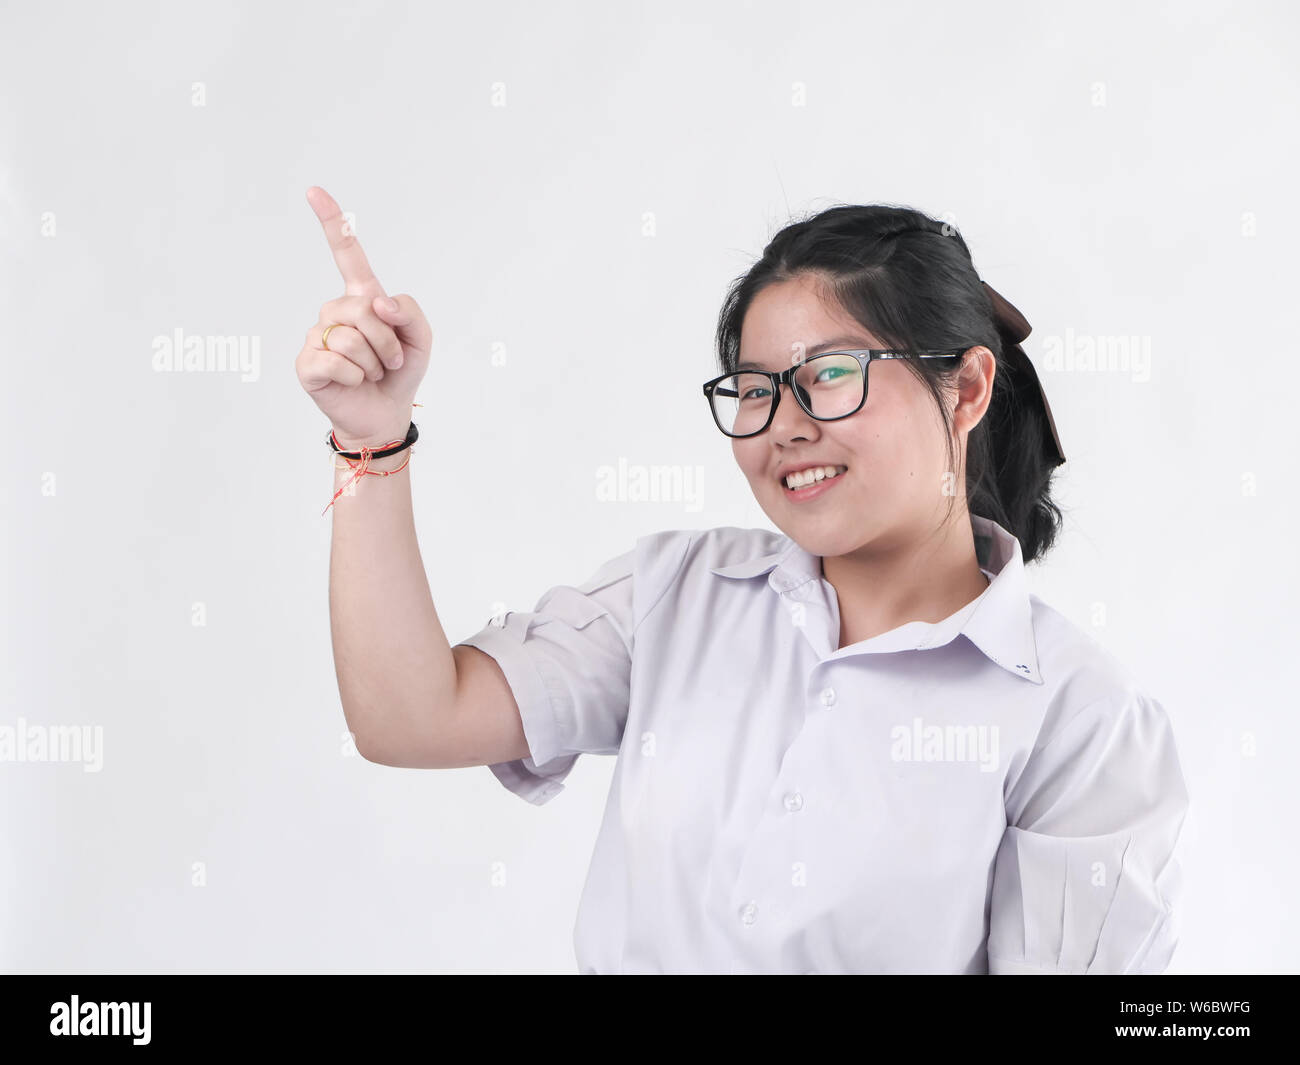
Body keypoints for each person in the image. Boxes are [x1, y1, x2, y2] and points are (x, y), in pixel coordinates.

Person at [296, 187, 1189, 975]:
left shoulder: (1079, 721)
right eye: (756, 389)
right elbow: (408, 716)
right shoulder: (677, 593)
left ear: (964, 391)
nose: (785, 427)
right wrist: (373, 437)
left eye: (831, 375)